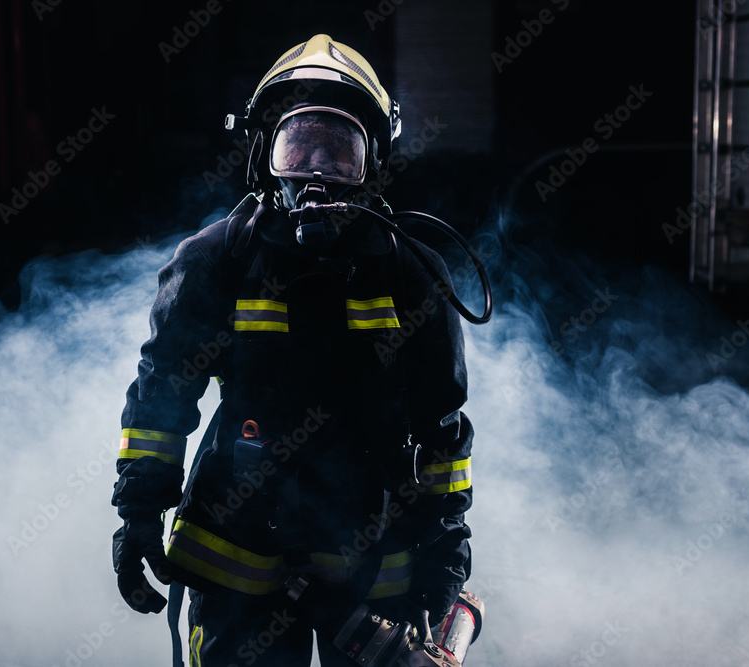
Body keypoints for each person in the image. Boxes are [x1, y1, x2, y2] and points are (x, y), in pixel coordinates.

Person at [111, 34, 476, 667]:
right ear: (264, 157)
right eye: (297, 144)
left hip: (373, 575)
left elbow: (443, 432)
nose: (314, 168)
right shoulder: (215, 263)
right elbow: (162, 394)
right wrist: (140, 511)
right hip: (234, 565)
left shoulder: (412, 275)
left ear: (372, 166)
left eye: (339, 152)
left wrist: (442, 555)